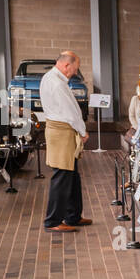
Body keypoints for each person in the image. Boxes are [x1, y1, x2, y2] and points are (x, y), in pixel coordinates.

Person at [41, 50, 90, 232]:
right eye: (75, 69)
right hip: (62, 132)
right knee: (62, 177)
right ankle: (53, 221)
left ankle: (73, 216)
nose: (75, 73)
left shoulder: (53, 79)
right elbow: (70, 113)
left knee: (72, 176)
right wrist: (83, 131)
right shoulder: (56, 83)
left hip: (61, 131)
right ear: (66, 65)